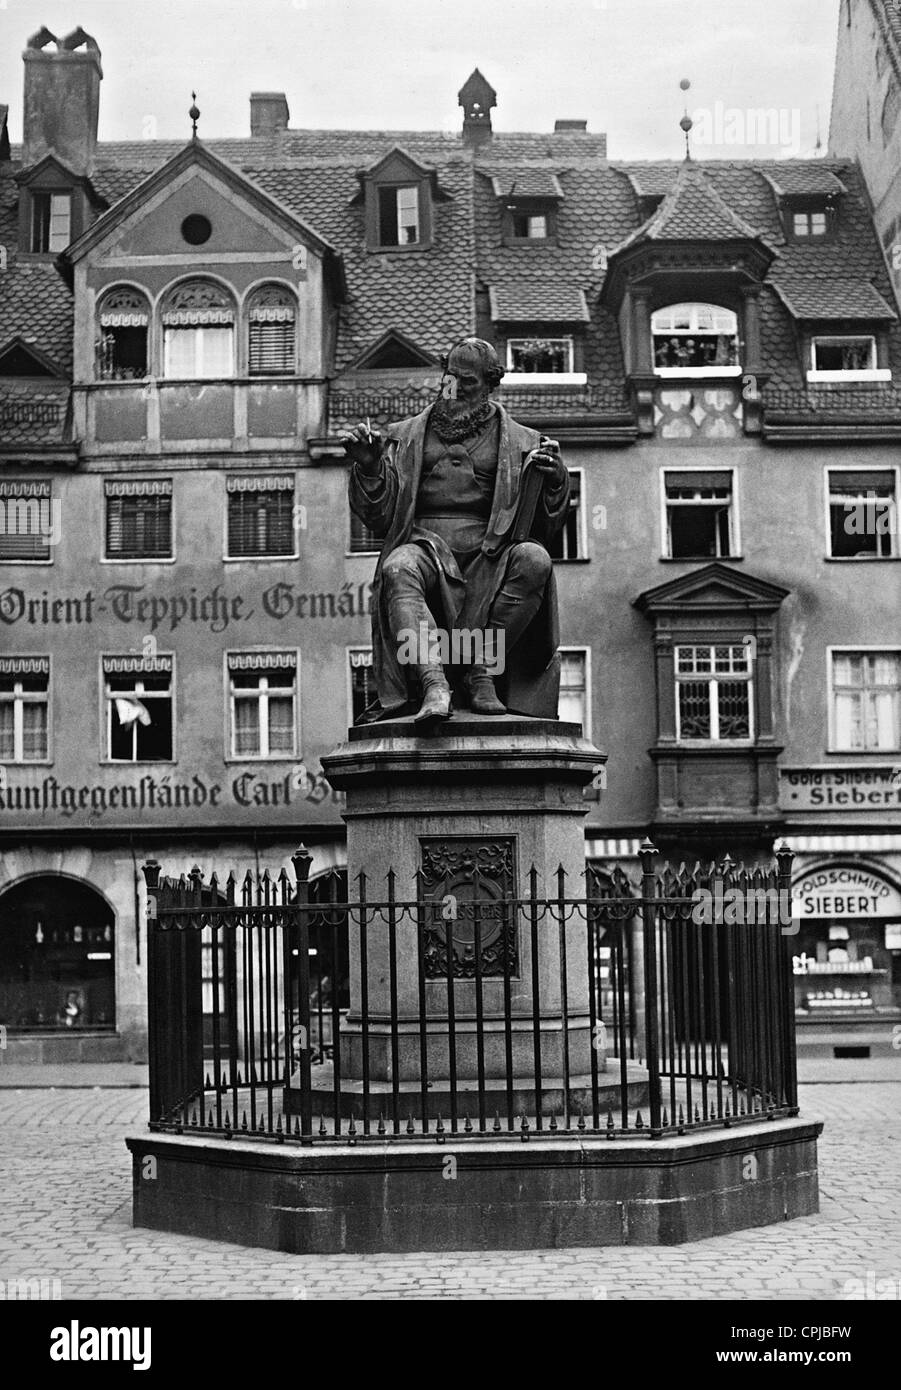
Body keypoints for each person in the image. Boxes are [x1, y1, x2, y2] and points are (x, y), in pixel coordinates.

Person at [343, 337, 570, 723]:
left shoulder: (523, 443)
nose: (456, 388)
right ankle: (434, 683)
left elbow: (544, 527)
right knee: (397, 567)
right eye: (450, 376)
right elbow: (381, 520)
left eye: (468, 382)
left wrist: (556, 482)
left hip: (492, 547)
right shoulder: (402, 437)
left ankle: (482, 671)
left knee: (534, 559)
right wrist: (368, 468)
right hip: (423, 543)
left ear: (490, 385)